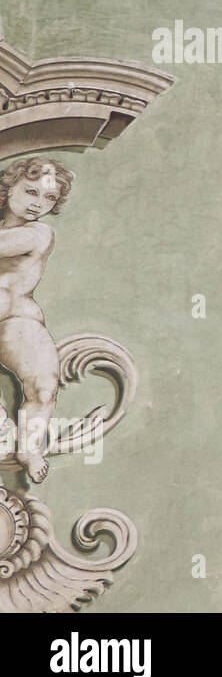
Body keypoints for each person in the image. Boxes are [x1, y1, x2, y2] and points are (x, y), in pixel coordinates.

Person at [0, 157, 74, 483]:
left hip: (17, 320)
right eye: (31, 191)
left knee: (44, 384)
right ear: (8, 187)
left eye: (49, 198)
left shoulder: (40, 233)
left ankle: (30, 446)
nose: (38, 204)